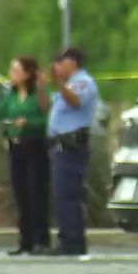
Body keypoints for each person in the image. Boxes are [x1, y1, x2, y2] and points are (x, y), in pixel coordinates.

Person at [0, 56, 52, 256]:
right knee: (21, 193)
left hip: (34, 145)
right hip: (16, 146)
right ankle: (25, 240)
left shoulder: (37, 95)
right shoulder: (11, 96)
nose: (12, 74)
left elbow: (47, 119)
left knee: (37, 192)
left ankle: (41, 240)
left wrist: (28, 122)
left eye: (16, 70)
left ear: (28, 74)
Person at [45, 48, 98, 260]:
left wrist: (58, 82)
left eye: (61, 62)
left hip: (72, 146)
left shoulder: (83, 82)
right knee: (62, 194)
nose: (57, 66)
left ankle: (73, 241)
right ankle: (67, 238)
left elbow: (75, 101)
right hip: (60, 146)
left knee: (68, 195)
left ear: (73, 62)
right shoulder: (68, 85)